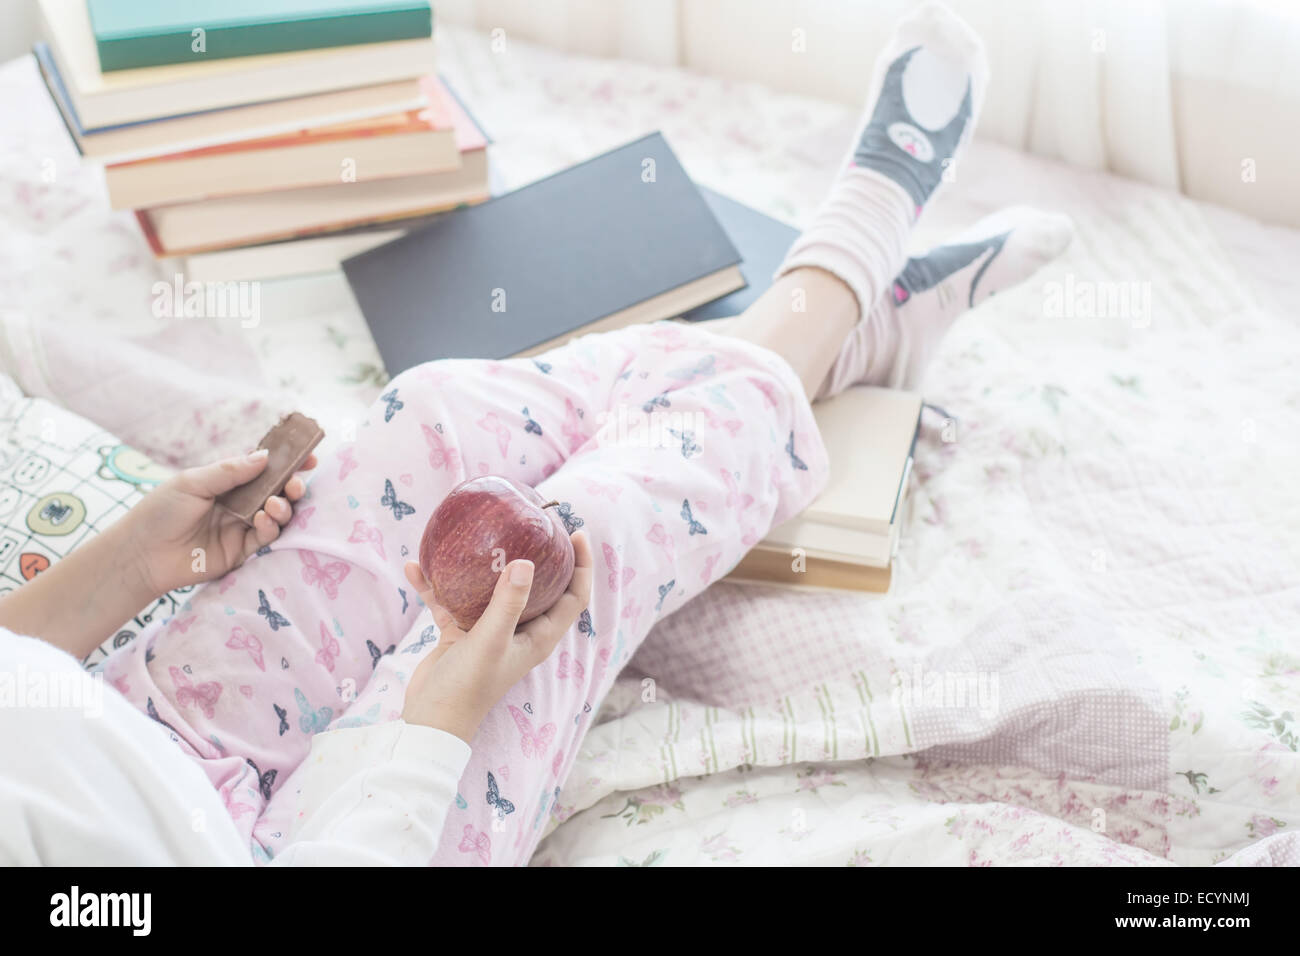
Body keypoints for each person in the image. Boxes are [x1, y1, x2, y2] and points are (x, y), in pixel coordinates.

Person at [0, 3, 1071, 865]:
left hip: (150, 722)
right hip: (313, 842)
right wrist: (430, 730)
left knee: (434, 419)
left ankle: (840, 334)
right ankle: (842, 273)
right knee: (582, 535)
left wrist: (133, 562)